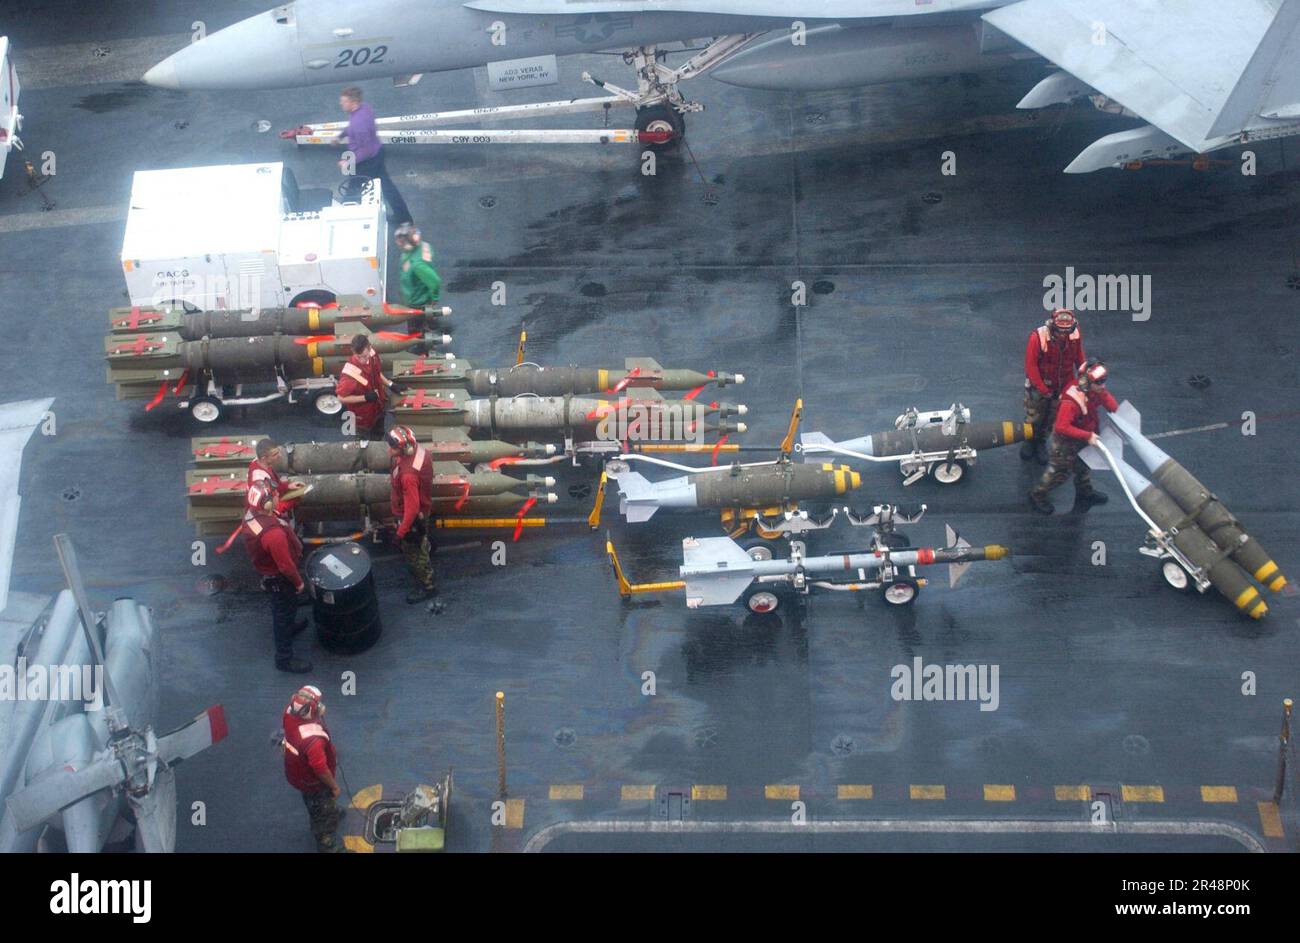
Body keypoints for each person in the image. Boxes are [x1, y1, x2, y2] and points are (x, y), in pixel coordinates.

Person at [1028, 359, 1117, 515]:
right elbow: (1062, 427)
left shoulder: (1094, 391)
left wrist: (1103, 393)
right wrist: (1088, 435)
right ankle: (1038, 494)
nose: (1103, 385)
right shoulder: (1071, 401)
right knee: (1058, 472)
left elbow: (1113, 408)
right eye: (1099, 382)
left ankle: (1085, 492)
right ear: (1088, 382)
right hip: (1066, 443)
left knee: (1084, 467)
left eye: (1104, 381)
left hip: (1083, 437)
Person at [242, 483, 312, 672]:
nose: (277, 497)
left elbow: (278, 510)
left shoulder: (254, 515)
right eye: (275, 495)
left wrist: (293, 497)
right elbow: (285, 566)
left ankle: (291, 627)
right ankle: (284, 659)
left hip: (269, 573)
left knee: (287, 609)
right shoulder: (273, 535)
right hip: (280, 579)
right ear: (266, 504)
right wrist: (298, 583)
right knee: (282, 613)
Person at [336, 85, 413, 226]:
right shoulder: (364, 108)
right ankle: (404, 218)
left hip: (365, 161)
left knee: (352, 190)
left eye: (344, 101)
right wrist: (341, 135)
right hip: (377, 153)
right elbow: (352, 127)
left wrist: (347, 162)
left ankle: (344, 221)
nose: (341, 103)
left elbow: (365, 150)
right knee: (387, 188)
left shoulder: (359, 123)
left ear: (353, 102)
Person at [282, 685, 344, 853]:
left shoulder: (288, 713)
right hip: (314, 782)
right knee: (321, 812)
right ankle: (326, 843)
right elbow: (320, 769)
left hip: (297, 773)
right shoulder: (313, 739)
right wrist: (334, 786)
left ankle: (327, 810)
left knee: (312, 802)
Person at [1022, 308, 1085, 464]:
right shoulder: (1037, 337)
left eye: (1066, 331)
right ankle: (1029, 441)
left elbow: (1079, 357)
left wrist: (1084, 377)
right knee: (1034, 416)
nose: (1063, 335)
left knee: (1052, 417)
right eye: (1060, 331)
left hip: (1063, 385)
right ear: (1052, 326)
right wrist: (1043, 389)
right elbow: (1031, 367)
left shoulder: (1075, 334)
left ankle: (1041, 441)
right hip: (1040, 386)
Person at [387, 425, 438, 604]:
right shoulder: (420, 452)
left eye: (393, 447)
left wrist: (400, 533)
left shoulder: (408, 476)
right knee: (421, 545)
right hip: (423, 510)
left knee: (415, 554)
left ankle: (427, 586)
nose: (389, 450)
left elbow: (412, 509)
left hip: (412, 518)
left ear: (404, 448)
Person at [334, 334, 404, 440]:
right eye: (359, 357)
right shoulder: (350, 374)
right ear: (353, 352)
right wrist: (365, 397)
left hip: (378, 408)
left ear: (370, 348)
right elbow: (341, 398)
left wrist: (390, 384)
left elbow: (377, 373)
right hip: (363, 418)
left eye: (365, 356)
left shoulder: (372, 355)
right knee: (363, 443)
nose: (362, 360)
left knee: (378, 435)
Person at [395, 224, 442, 309]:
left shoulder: (417, 265)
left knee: (416, 319)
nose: (398, 243)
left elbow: (435, 281)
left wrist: (434, 298)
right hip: (415, 290)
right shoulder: (424, 246)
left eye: (401, 242)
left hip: (417, 301)